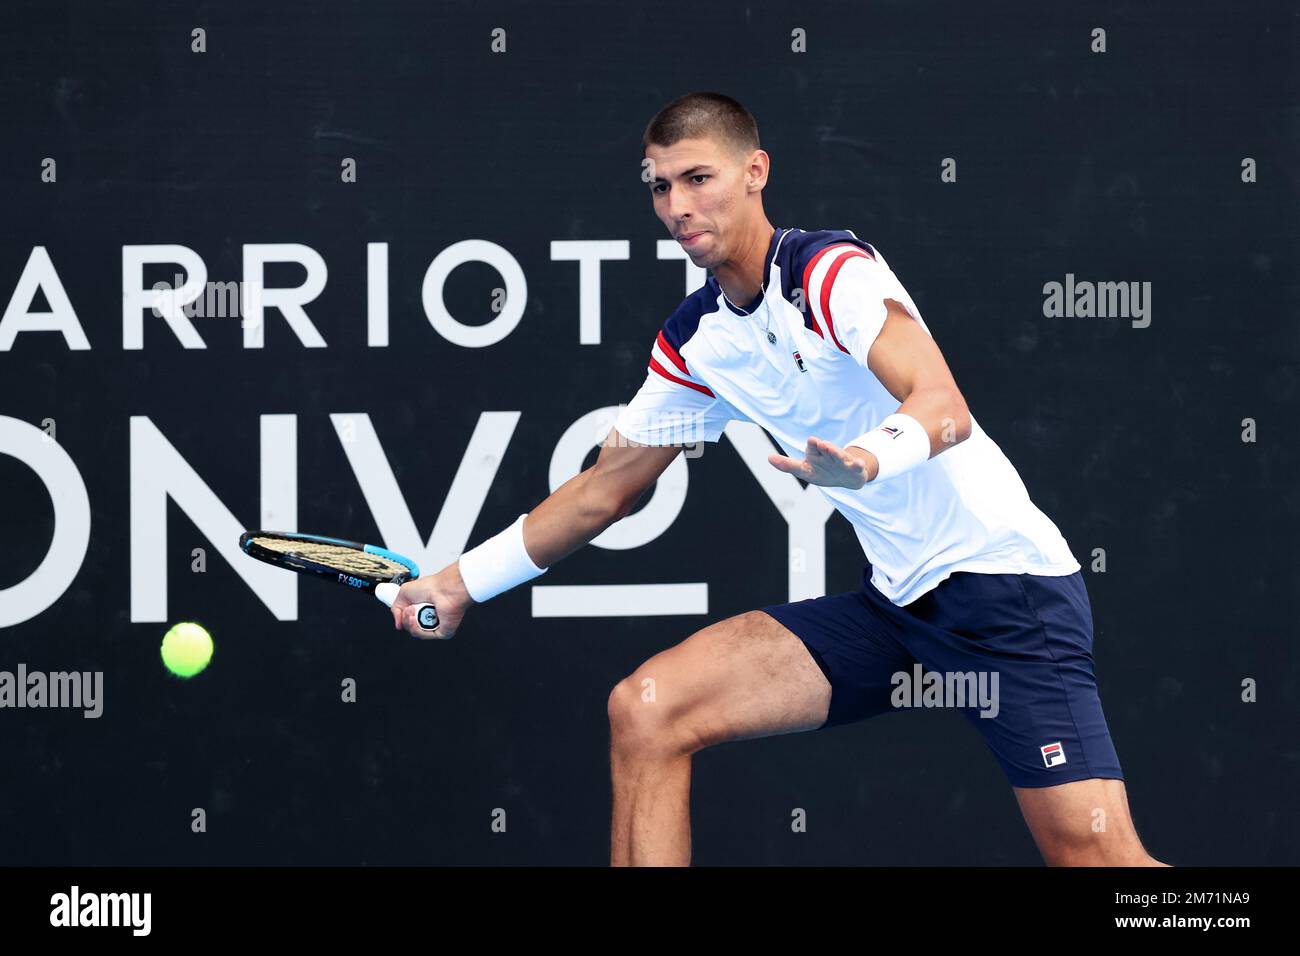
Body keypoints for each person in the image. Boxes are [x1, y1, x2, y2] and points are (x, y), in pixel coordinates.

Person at [390, 91, 1168, 868]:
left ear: (755, 171)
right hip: (895, 605)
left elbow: (944, 408)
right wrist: (460, 583)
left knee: (1098, 862)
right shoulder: (697, 340)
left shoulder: (830, 274)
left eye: (698, 178)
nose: (676, 206)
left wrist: (865, 461)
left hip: (1005, 592)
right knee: (648, 711)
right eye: (660, 186)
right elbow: (604, 490)